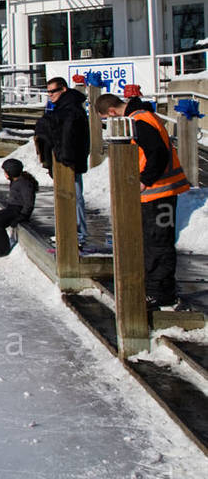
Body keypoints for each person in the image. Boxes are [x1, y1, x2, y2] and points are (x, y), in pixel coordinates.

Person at [97, 92, 191, 309]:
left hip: (159, 192)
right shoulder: (142, 115)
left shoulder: (139, 121)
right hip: (157, 192)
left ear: (112, 112)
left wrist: (144, 180)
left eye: (107, 120)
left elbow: (157, 153)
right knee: (154, 242)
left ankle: (161, 293)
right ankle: (157, 288)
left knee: (158, 243)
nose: (110, 123)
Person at [34, 76, 91, 248]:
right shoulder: (65, 107)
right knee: (71, 194)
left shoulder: (71, 109)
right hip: (68, 158)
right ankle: (71, 231)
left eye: (53, 91)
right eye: (48, 92)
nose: (50, 95)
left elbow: (68, 136)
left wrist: (64, 156)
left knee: (75, 195)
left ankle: (78, 233)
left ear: (63, 89)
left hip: (70, 159)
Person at [0, 158, 38, 258]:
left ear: (11, 172)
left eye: (5, 171)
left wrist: (23, 216)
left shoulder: (24, 183)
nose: (4, 174)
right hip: (12, 209)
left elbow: (29, 202)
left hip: (18, 211)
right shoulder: (16, 181)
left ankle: (2, 249)